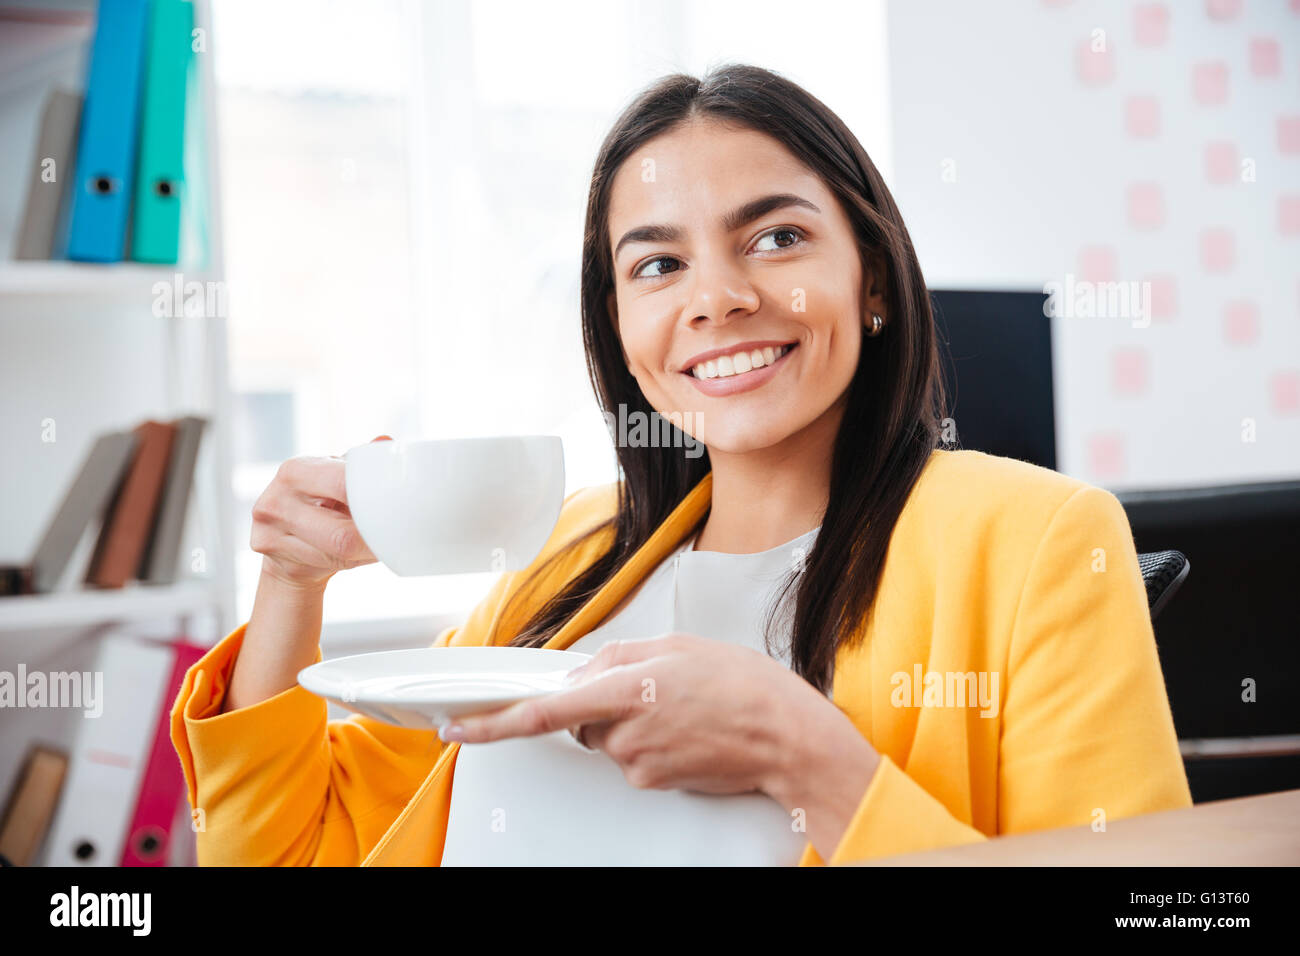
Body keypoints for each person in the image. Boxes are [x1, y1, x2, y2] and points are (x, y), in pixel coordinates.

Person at [171, 63, 1191, 867]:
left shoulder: (1040, 543)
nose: (716, 297)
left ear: (870, 277)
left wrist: (811, 763)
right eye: (657, 263)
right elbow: (287, 854)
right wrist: (290, 585)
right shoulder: (565, 556)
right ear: (619, 324)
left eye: (777, 236)